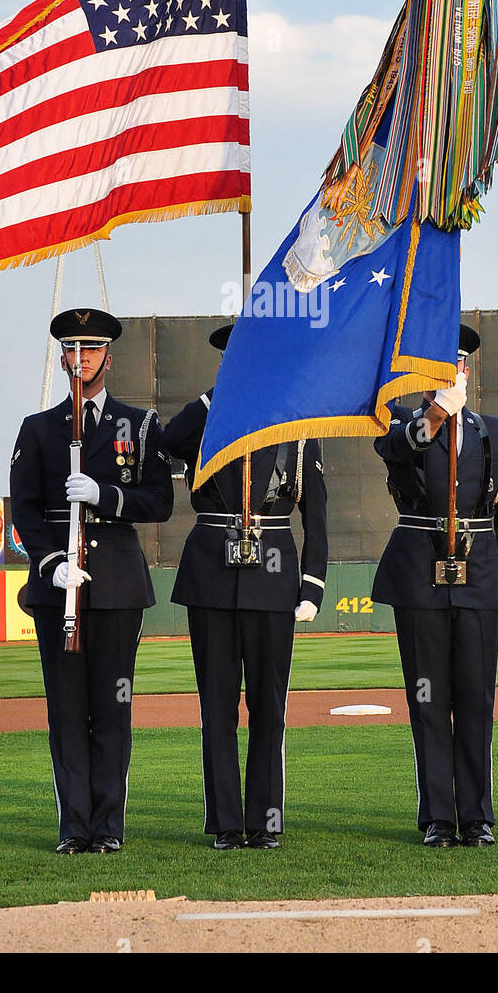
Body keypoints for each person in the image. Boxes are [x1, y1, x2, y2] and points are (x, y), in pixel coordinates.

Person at [10, 308, 173, 854]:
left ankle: (108, 827)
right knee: (65, 712)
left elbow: (160, 501)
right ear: (61, 357)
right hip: (59, 585)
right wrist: (52, 562)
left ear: (108, 355)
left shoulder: (139, 425)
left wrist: (106, 495)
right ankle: (73, 827)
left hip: (118, 587)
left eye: (91, 349)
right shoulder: (37, 430)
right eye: (71, 350)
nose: (80, 359)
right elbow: (27, 509)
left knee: (112, 709)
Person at [163, 324, 328, 850]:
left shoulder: (296, 429)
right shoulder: (207, 419)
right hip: (212, 575)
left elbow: (317, 514)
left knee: (268, 705)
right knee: (216, 707)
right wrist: (221, 394)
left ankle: (265, 820)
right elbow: (167, 442)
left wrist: (313, 585)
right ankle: (226, 823)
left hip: (275, 576)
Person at [372, 325, 498, 848]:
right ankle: (438, 814)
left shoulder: (495, 432)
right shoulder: (400, 422)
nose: (451, 373)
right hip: (418, 571)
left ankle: (477, 814)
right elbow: (393, 450)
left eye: (456, 365)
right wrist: (434, 415)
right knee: (428, 697)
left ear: (467, 369)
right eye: (439, 367)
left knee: (476, 698)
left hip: (478, 571)